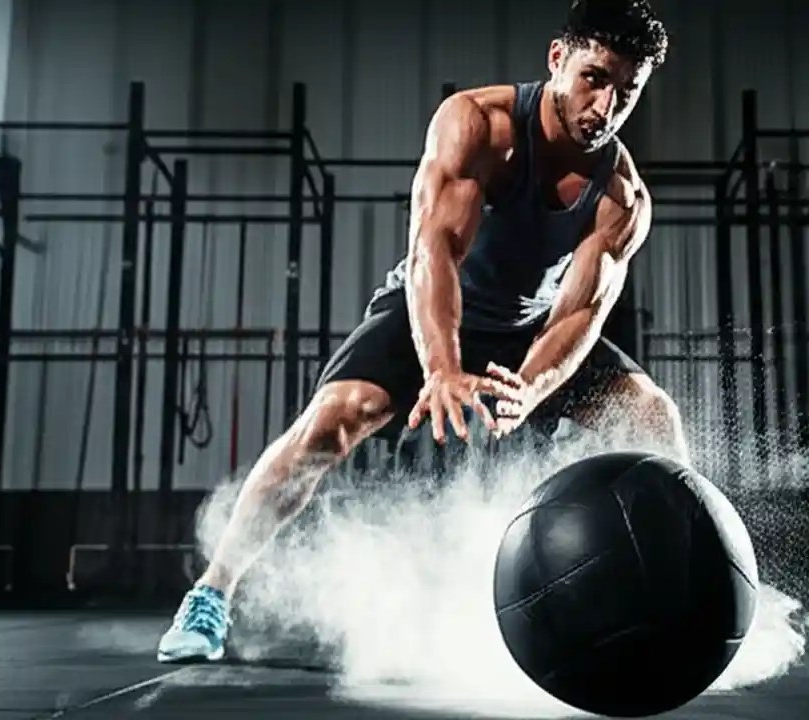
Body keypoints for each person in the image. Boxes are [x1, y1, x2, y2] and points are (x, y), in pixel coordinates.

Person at [157, 0, 686, 664]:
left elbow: (579, 314)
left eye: (625, 92)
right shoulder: (479, 125)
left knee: (651, 415)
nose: (605, 106)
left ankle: (682, 587)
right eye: (594, 77)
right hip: (435, 308)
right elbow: (435, 251)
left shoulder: (623, 197)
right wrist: (440, 367)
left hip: (530, 332)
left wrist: (532, 386)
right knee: (336, 418)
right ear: (558, 59)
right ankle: (212, 593)